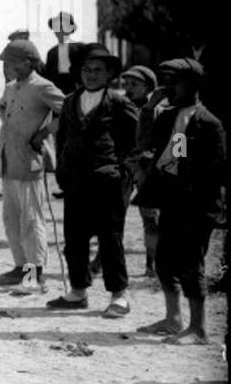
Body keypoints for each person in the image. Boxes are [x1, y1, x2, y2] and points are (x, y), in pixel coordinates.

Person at [134, 59, 226, 344]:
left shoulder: (209, 123)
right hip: (172, 199)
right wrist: (150, 108)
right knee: (164, 261)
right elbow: (147, 143)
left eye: (176, 81)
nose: (169, 87)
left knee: (190, 264)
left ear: (194, 85)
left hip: (196, 205)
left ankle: (198, 329)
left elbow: (215, 170)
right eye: (167, 80)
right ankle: (173, 319)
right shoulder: (170, 116)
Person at [46, 43, 138, 316]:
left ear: (109, 74)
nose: (91, 75)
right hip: (75, 182)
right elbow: (62, 138)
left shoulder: (119, 103)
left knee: (110, 240)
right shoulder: (72, 100)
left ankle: (119, 295)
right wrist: (62, 170)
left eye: (98, 70)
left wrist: (122, 173)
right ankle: (78, 292)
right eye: (86, 70)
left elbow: (133, 143)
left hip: (107, 181)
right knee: (74, 238)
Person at [0, 40, 64, 293]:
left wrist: (43, 135)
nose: (6, 66)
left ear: (28, 62)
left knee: (32, 220)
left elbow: (67, 111)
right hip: (10, 159)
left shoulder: (43, 87)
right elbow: (2, 108)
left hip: (30, 162)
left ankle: (35, 275)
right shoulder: (11, 88)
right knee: (11, 219)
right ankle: (20, 267)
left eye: (11, 61)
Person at [120, 65, 163, 278]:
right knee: (114, 215)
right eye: (125, 84)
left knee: (150, 217)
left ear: (148, 87)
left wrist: (156, 157)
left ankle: (151, 263)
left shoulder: (157, 111)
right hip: (124, 167)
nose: (129, 88)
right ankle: (103, 260)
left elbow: (171, 139)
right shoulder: (118, 107)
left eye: (134, 85)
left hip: (147, 168)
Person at [39, 12, 86, 97]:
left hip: (76, 90)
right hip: (58, 91)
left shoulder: (80, 48)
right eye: (56, 27)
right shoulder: (51, 53)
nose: (59, 30)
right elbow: (48, 76)